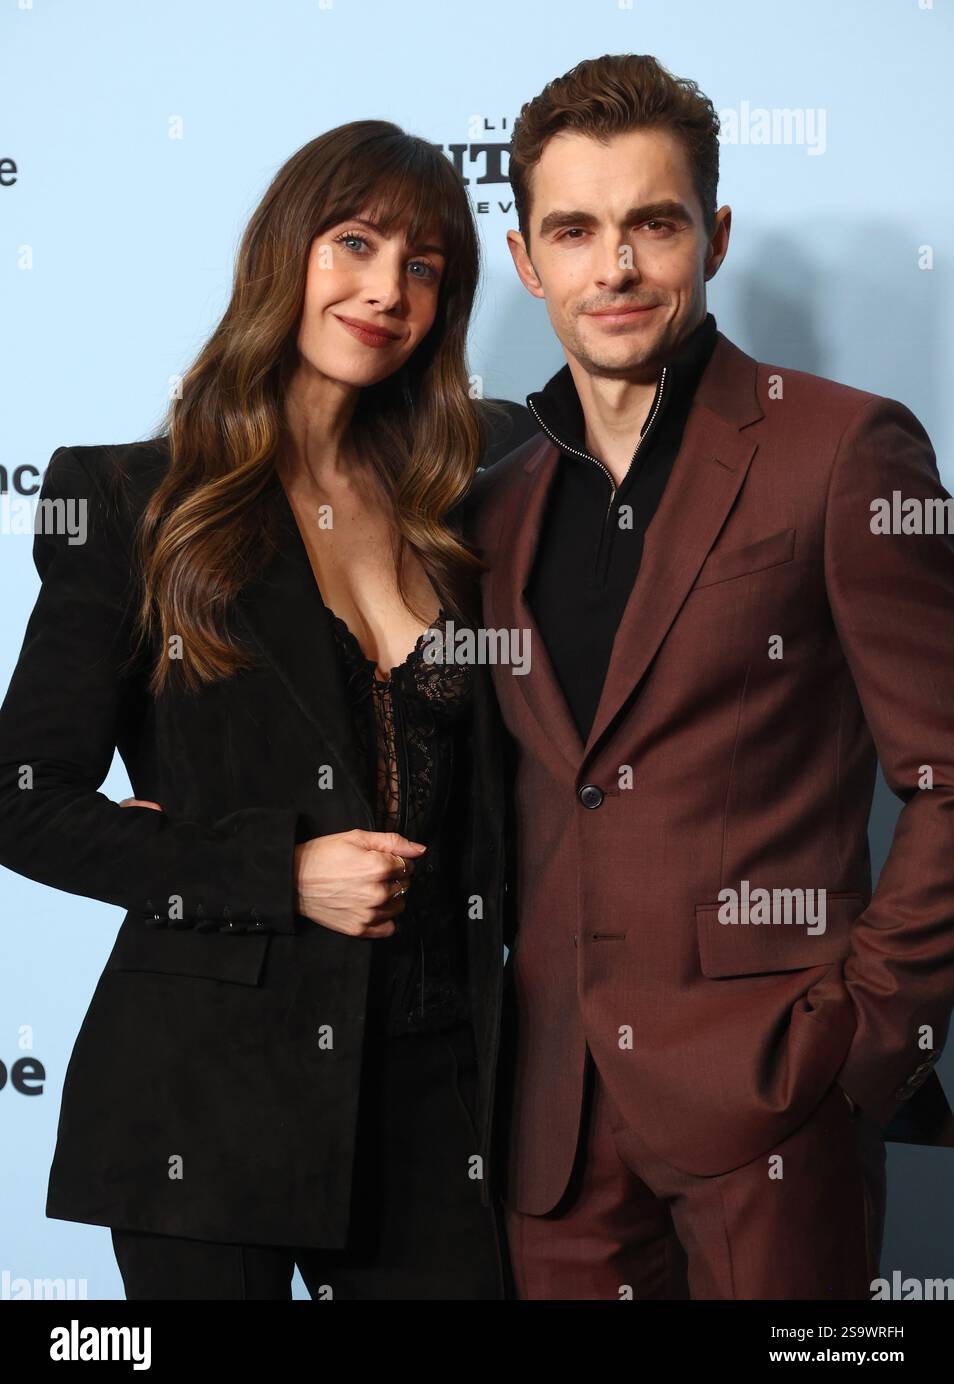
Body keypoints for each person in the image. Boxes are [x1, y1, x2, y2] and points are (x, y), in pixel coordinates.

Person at [465, 53, 954, 1299]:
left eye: (652, 224)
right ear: (528, 262)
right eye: (573, 231)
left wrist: (860, 1047)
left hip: (773, 1111)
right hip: (553, 1131)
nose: (613, 267)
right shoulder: (497, 500)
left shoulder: (844, 447)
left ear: (715, 236)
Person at [0, 119, 513, 1300]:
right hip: (208, 1088)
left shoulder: (469, 497)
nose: (386, 289)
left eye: (425, 266)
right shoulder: (132, 497)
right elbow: (23, 804)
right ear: (286, 248)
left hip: (439, 1088)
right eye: (355, 242)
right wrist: (275, 870)